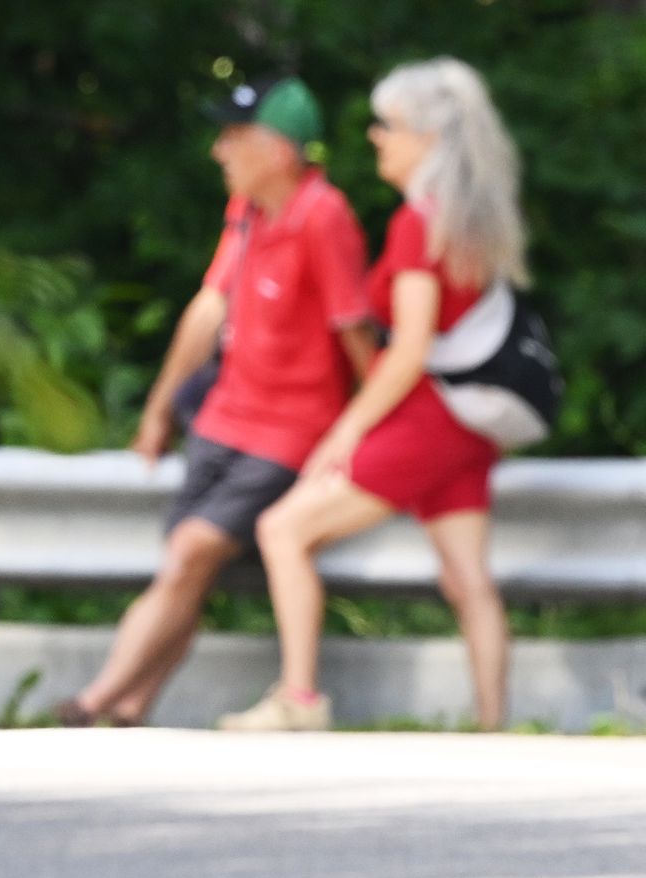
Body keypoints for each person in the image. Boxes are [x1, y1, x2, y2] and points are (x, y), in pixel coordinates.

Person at [220, 58, 530, 731]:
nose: (374, 137)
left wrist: (346, 432)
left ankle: (300, 699)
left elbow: (409, 349)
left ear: (426, 137)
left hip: (427, 419)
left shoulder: (419, 225)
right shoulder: (475, 221)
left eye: (387, 126)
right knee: (466, 579)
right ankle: (493, 728)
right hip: (471, 423)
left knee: (283, 529)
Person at [59, 78, 375, 727]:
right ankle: (131, 706)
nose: (218, 151)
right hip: (222, 419)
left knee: (189, 554)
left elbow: (356, 335)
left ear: (280, 150)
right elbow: (209, 308)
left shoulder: (324, 215)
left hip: (287, 431)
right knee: (184, 568)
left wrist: (370, 433)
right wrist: (159, 409)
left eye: (235, 137)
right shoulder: (249, 209)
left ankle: (94, 702)